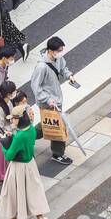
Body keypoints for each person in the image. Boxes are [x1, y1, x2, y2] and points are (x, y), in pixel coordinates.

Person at [0, 109, 49, 219]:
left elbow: (9, 156)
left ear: (19, 119)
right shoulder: (30, 129)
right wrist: (13, 135)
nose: (11, 120)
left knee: (11, 195)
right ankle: (41, 218)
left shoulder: (20, 136)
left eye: (13, 118)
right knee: (32, 194)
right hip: (30, 164)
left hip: (18, 168)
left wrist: (4, 143)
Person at [31, 36, 79, 165]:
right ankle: (58, 154)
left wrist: (69, 76)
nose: (61, 52)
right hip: (48, 102)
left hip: (56, 99)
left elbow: (63, 68)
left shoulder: (58, 58)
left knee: (47, 124)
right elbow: (36, 86)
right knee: (57, 126)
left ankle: (27, 137)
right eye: (59, 50)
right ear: (51, 51)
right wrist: (47, 99)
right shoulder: (41, 67)